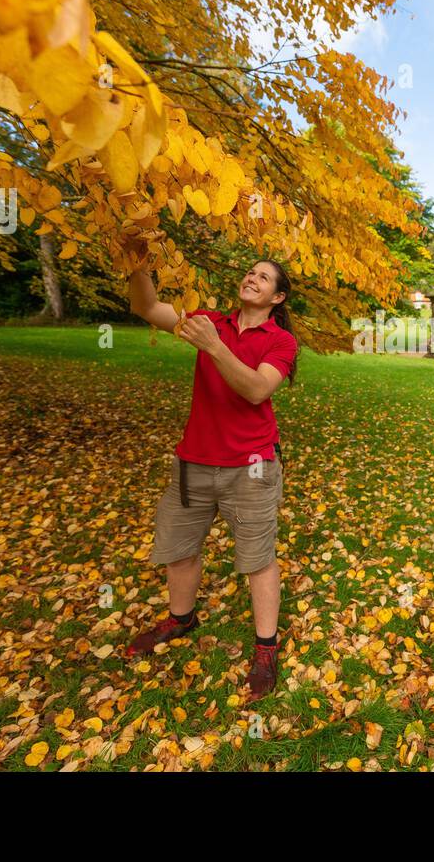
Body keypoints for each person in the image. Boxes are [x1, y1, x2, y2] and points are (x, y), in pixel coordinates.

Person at [120, 237, 298, 701]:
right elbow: (147, 306)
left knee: (257, 559)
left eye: (263, 276)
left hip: (252, 467)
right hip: (193, 461)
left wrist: (215, 349)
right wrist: (138, 263)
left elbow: (258, 390)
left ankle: (265, 647)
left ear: (277, 298)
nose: (252, 277)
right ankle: (181, 620)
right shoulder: (211, 321)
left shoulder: (280, 340)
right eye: (250, 270)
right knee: (179, 549)